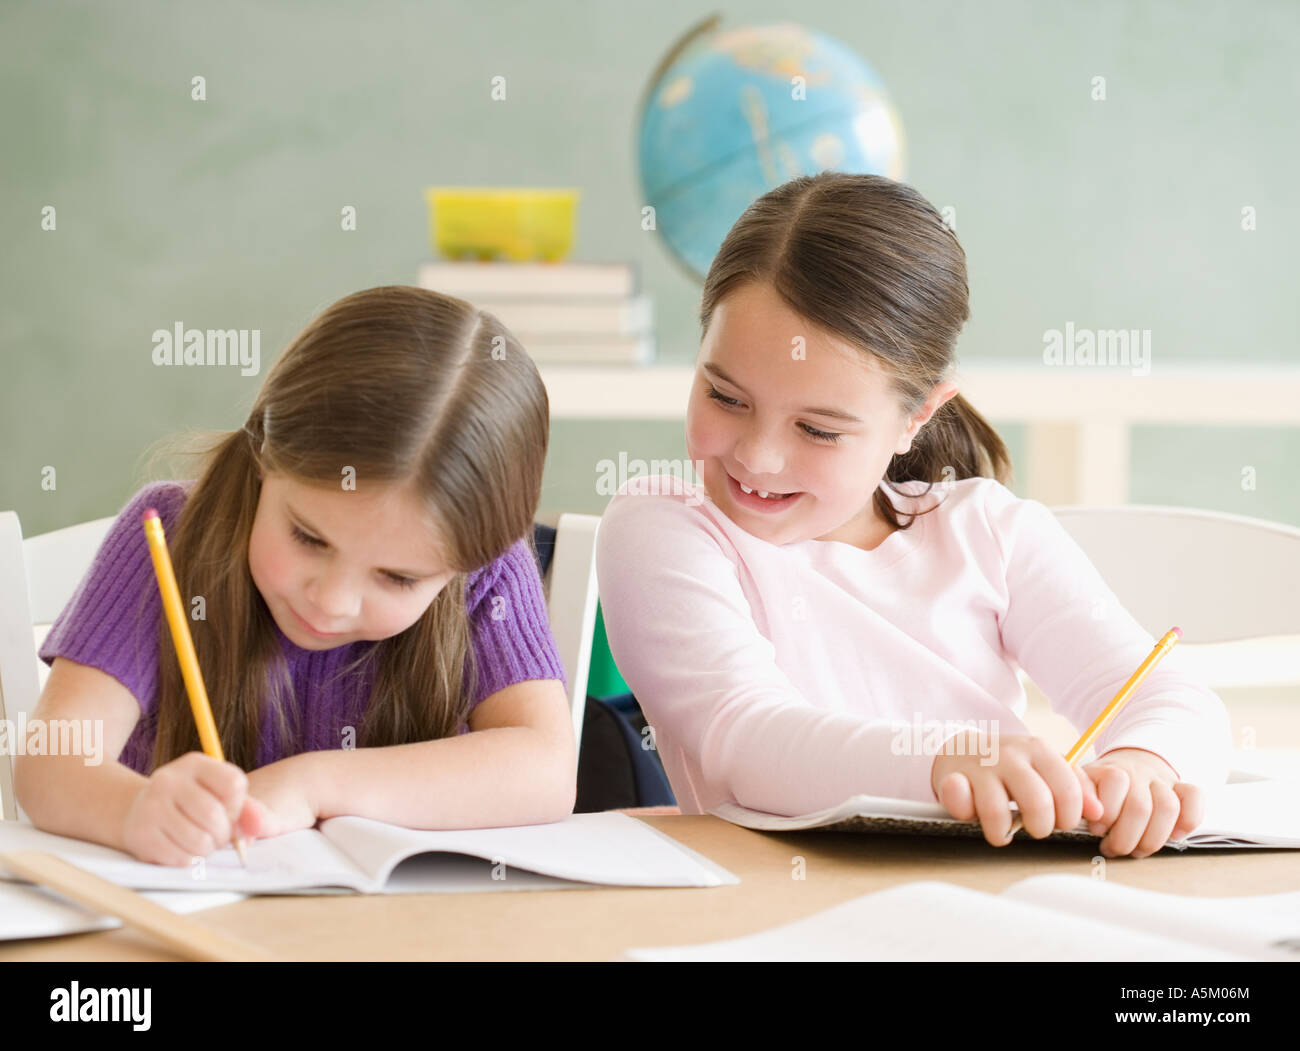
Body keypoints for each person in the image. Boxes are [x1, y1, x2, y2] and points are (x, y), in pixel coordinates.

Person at [595, 172, 1231, 859]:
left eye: (818, 430)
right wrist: (940, 761)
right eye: (725, 396)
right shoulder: (663, 526)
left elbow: (1166, 692)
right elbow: (742, 739)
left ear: (916, 416)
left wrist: (1145, 765)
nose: (758, 456)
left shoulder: (988, 530)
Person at [17, 286, 576, 866]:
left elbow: (546, 770)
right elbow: (51, 764)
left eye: (398, 579)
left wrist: (312, 785)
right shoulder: (166, 537)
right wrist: (133, 812)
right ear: (263, 452)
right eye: (309, 538)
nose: (331, 601)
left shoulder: (488, 569)